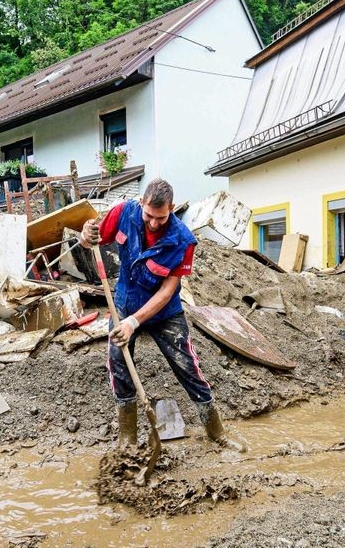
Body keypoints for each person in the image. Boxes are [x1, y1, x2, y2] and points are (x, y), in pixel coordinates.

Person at [81, 178, 246, 453]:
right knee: (118, 365)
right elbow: (91, 239)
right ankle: (128, 440)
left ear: (171, 208)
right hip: (123, 302)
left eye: (161, 217)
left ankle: (216, 432)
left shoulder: (182, 240)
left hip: (164, 311)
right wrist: (86, 235)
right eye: (149, 215)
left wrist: (135, 322)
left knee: (187, 367)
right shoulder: (123, 213)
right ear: (141, 203)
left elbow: (168, 290)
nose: (154, 223)